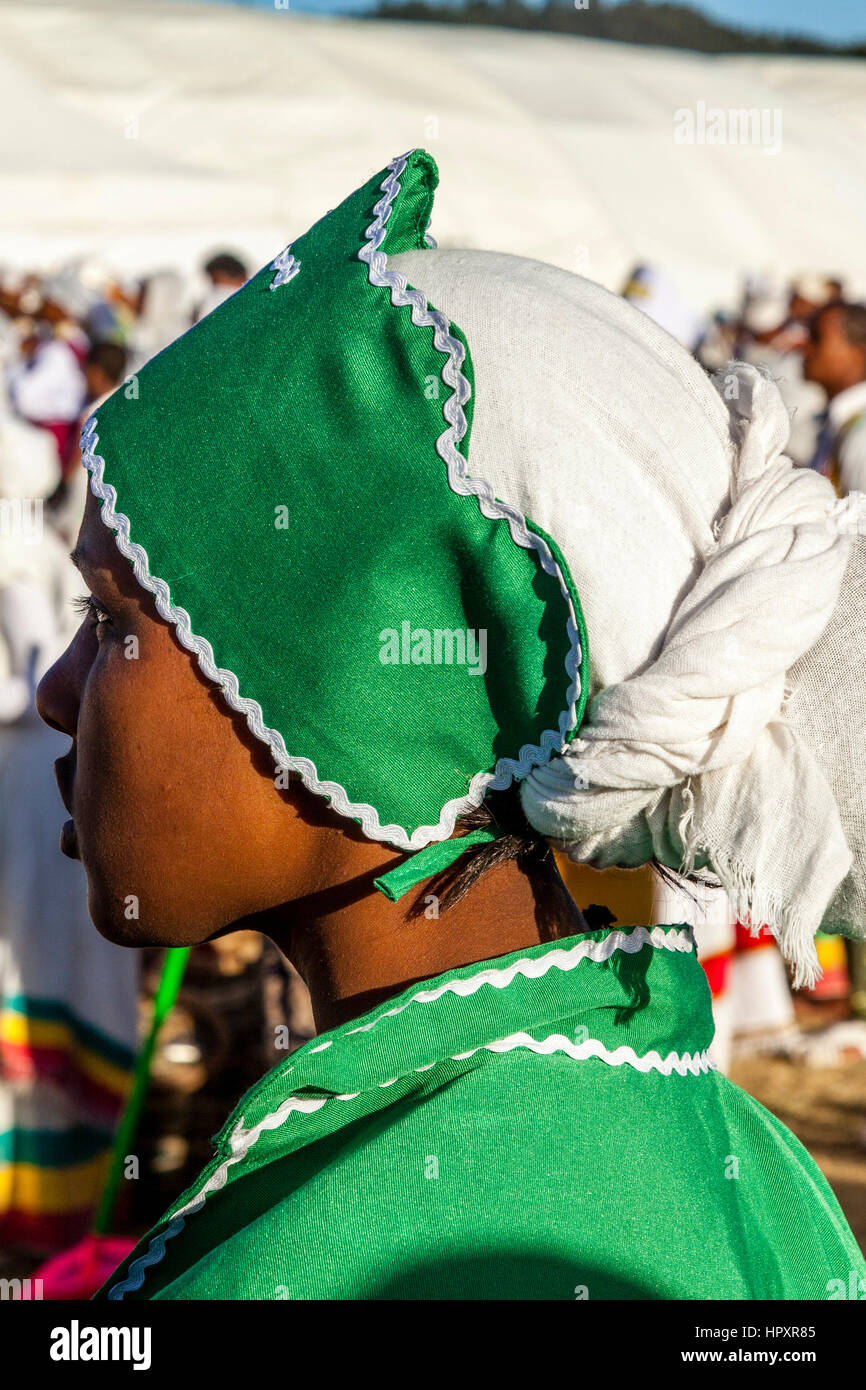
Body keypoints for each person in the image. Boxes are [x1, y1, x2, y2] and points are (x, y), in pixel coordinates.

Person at [37, 150, 866, 1300]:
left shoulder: (366, 1259)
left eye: (112, 619)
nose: (55, 690)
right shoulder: (749, 1160)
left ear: (347, 704)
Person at [804, 301, 866, 496]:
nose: (805, 348)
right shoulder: (839, 422)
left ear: (859, 353)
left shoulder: (862, 435)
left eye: (816, 338)